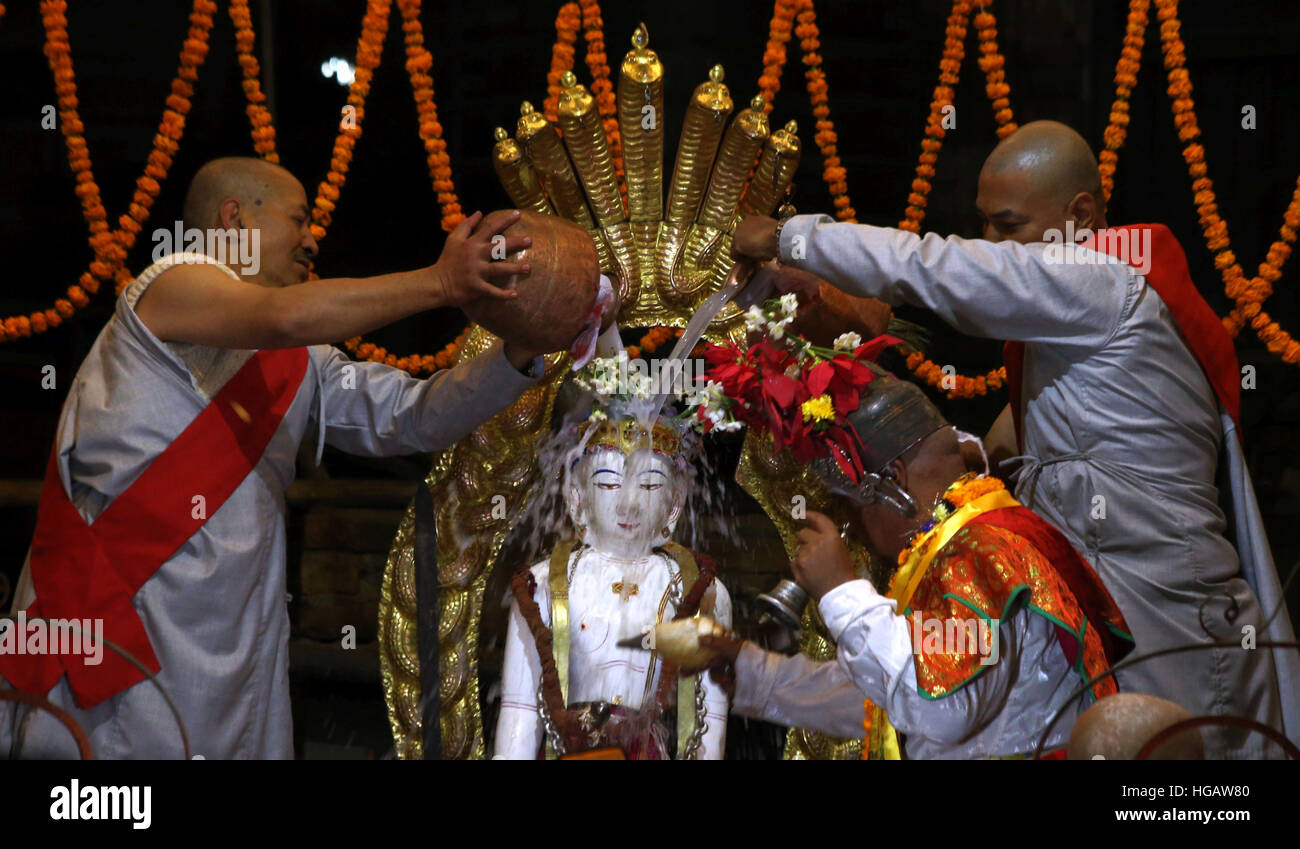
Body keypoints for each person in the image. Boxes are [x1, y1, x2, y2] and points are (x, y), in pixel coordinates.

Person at [729, 120, 1299, 756]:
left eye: (1008, 226)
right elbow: (989, 450)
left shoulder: (1105, 283)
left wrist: (795, 239)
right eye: (985, 225)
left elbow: (941, 269)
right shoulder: (1067, 338)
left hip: (1163, 621)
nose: (992, 243)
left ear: (1078, 215)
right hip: (1112, 620)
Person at [0, 156, 558, 759]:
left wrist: (519, 356)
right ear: (233, 217)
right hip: (120, 629)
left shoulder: (302, 359)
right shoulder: (167, 284)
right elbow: (282, 315)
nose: (313, 239)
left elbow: (415, 417)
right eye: (299, 219)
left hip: (237, 643)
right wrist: (443, 282)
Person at [696, 367, 1131, 759]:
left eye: (848, 506)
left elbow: (940, 705)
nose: (850, 527)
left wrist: (842, 593)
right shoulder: (964, 542)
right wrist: (755, 674)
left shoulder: (982, 550)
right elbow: (889, 702)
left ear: (894, 483)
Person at [493, 337, 731, 760]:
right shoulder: (544, 584)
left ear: (675, 504)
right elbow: (519, 711)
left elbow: (710, 718)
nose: (628, 502)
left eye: (651, 484)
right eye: (607, 482)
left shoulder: (701, 591)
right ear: (577, 496)